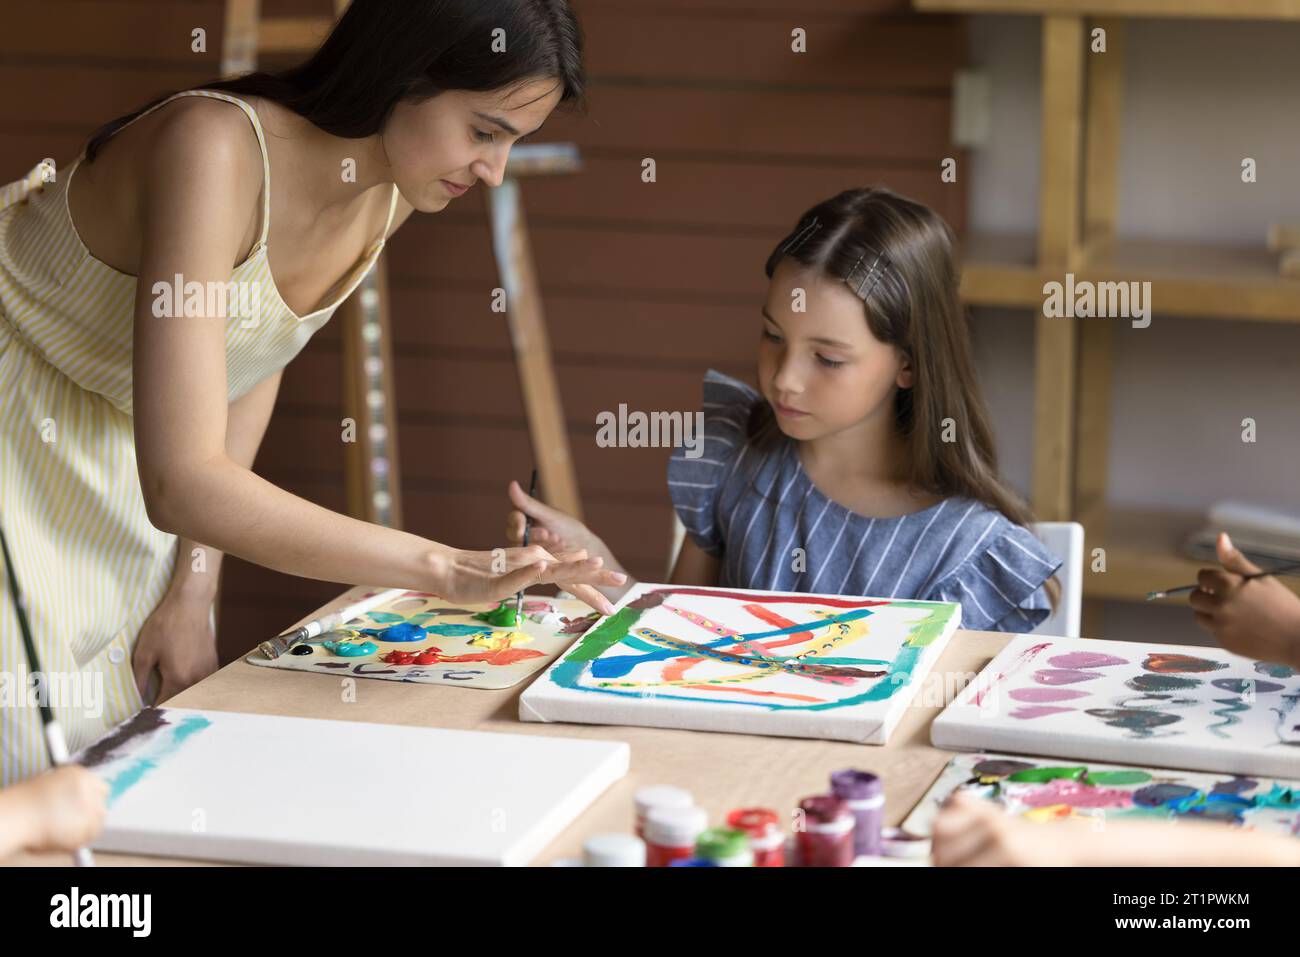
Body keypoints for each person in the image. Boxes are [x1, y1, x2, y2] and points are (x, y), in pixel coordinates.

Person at [0, 0, 622, 785]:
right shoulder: (212, 149)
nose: (493, 171)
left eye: (511, 143)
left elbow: (254, 351)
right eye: (484, 131)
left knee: (112, 768)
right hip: (18, 416)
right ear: (405, 73)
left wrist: (194, 585)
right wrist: (445, 567)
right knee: (31, 771)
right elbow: (184, 479)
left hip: (125, 456)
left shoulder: (393, 188)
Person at [505, 186, 1060, 630]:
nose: (786, 378)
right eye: (774, 336)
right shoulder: (735, 458)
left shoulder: (967, 550)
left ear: (908, 364)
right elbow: (675, 636)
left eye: (828, 358)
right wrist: (595, 563)